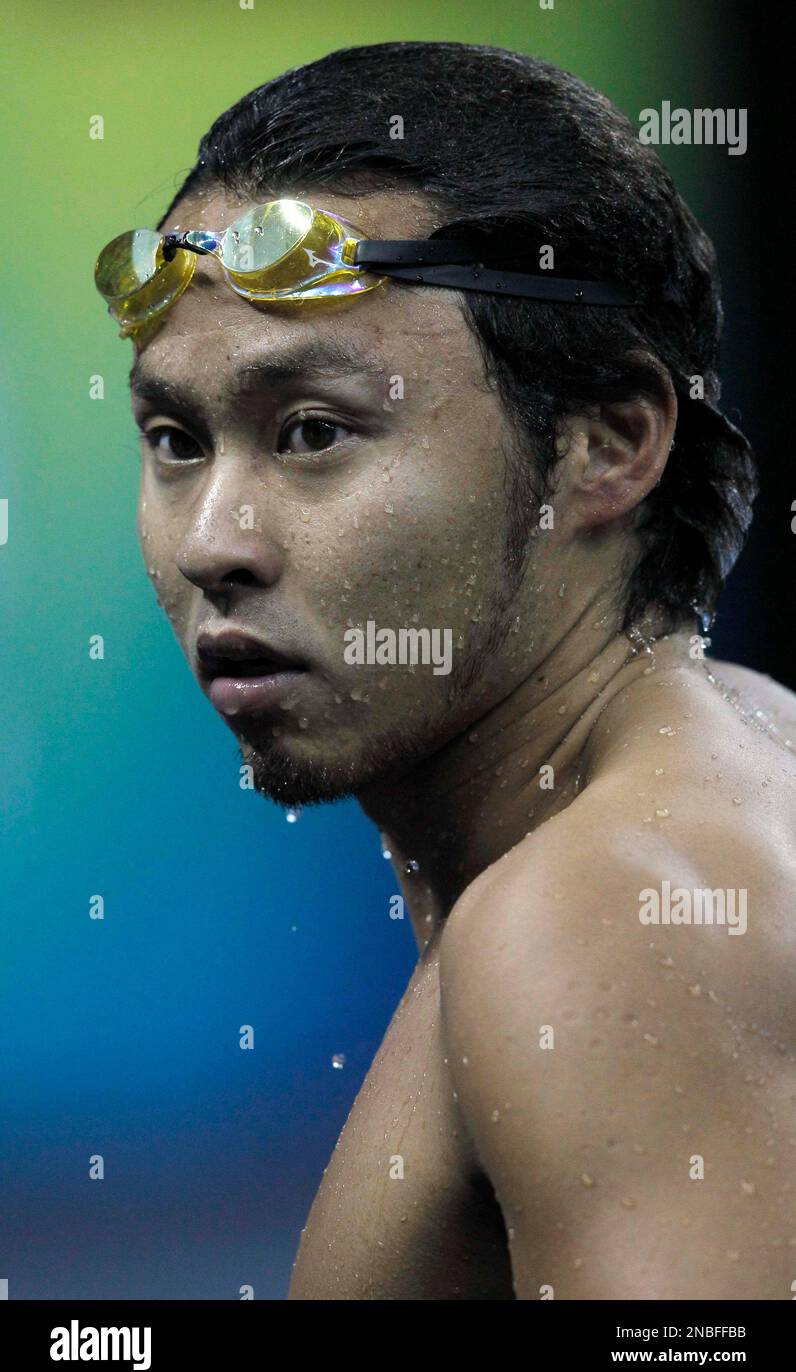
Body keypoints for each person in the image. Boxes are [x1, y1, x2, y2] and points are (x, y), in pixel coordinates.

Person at [94, 42, 795, 1300]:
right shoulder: (730, 763)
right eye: (175, 439)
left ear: (606, 444)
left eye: (312, 431)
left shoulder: (601, 923)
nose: (212, 544)